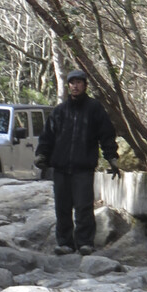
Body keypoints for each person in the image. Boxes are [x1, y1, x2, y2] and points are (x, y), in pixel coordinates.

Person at [34, 69, 119, 256]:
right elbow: (47, 137)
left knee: (83, 207)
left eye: (79, 82)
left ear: (85, 85)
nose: (75, 86)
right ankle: (64, 243)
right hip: (61, 168)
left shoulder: (94, 109)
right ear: (68, 86)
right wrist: (41, 155)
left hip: (83, 168)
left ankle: (85, 243)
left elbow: (106, 134)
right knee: (62, 207)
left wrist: (111, 157)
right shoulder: (60, 111)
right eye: (72, 82)